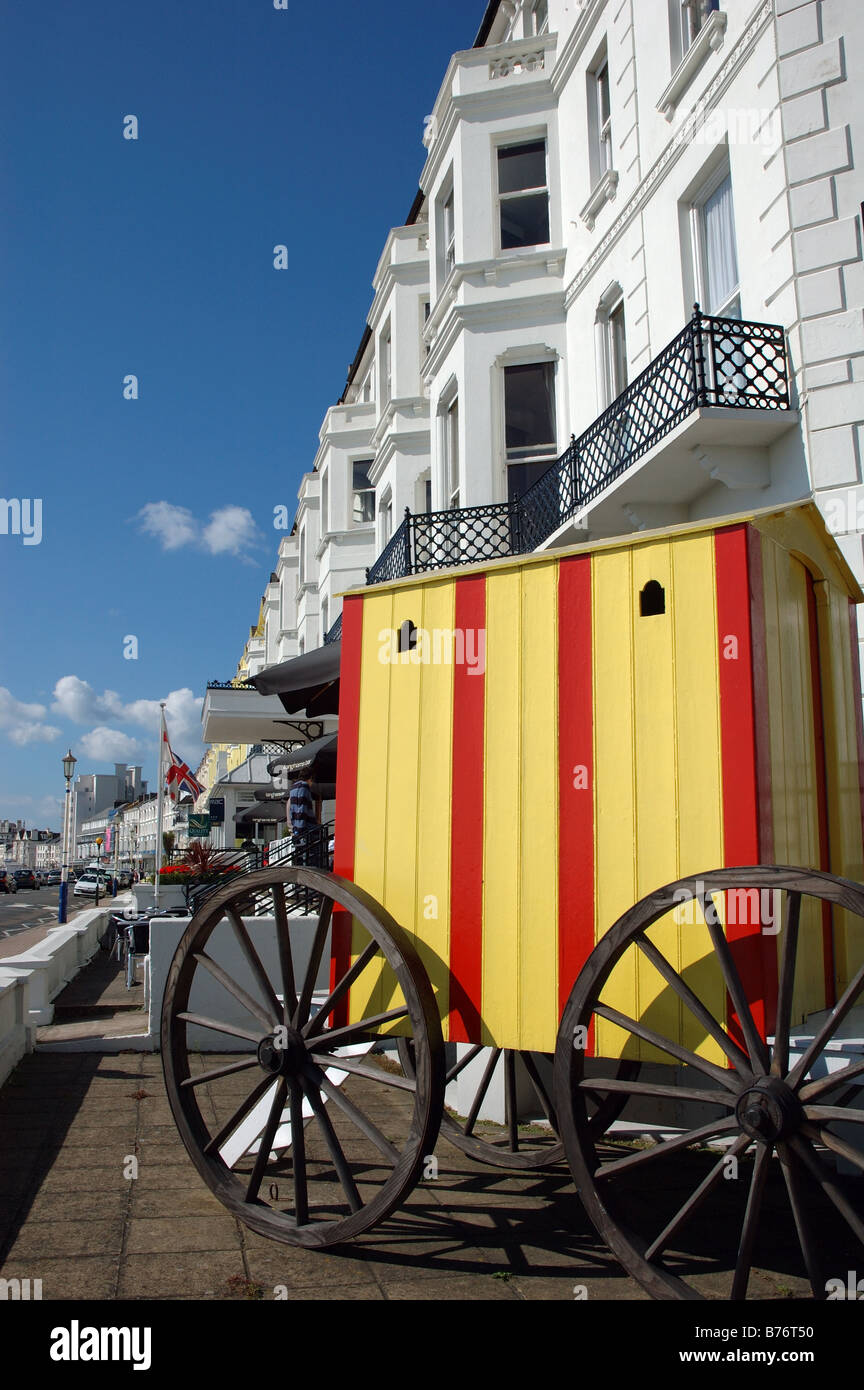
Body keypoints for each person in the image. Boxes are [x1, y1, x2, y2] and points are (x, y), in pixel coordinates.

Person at [289, 768, 321, 867]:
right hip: (307, 827)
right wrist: (301, 828)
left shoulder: (293, 788)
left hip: (297, 828)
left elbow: (292, 809)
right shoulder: (304, 787)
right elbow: (302, 808)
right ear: (310, 778)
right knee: (312, 857)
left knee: (301, 857)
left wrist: (295, 829)